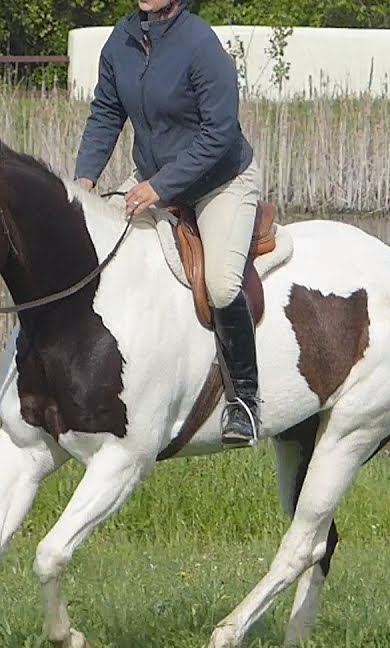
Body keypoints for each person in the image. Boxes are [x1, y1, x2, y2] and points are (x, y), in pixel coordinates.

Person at [73, 0, 262, 446]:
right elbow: (105, 114)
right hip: (154, 177)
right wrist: (84, 178)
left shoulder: (200, 42)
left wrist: (160, 188)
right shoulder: (120, 39)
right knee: (101, 247)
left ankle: (245, 404)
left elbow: (219, 132)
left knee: (219, 283)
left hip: (221, 180)